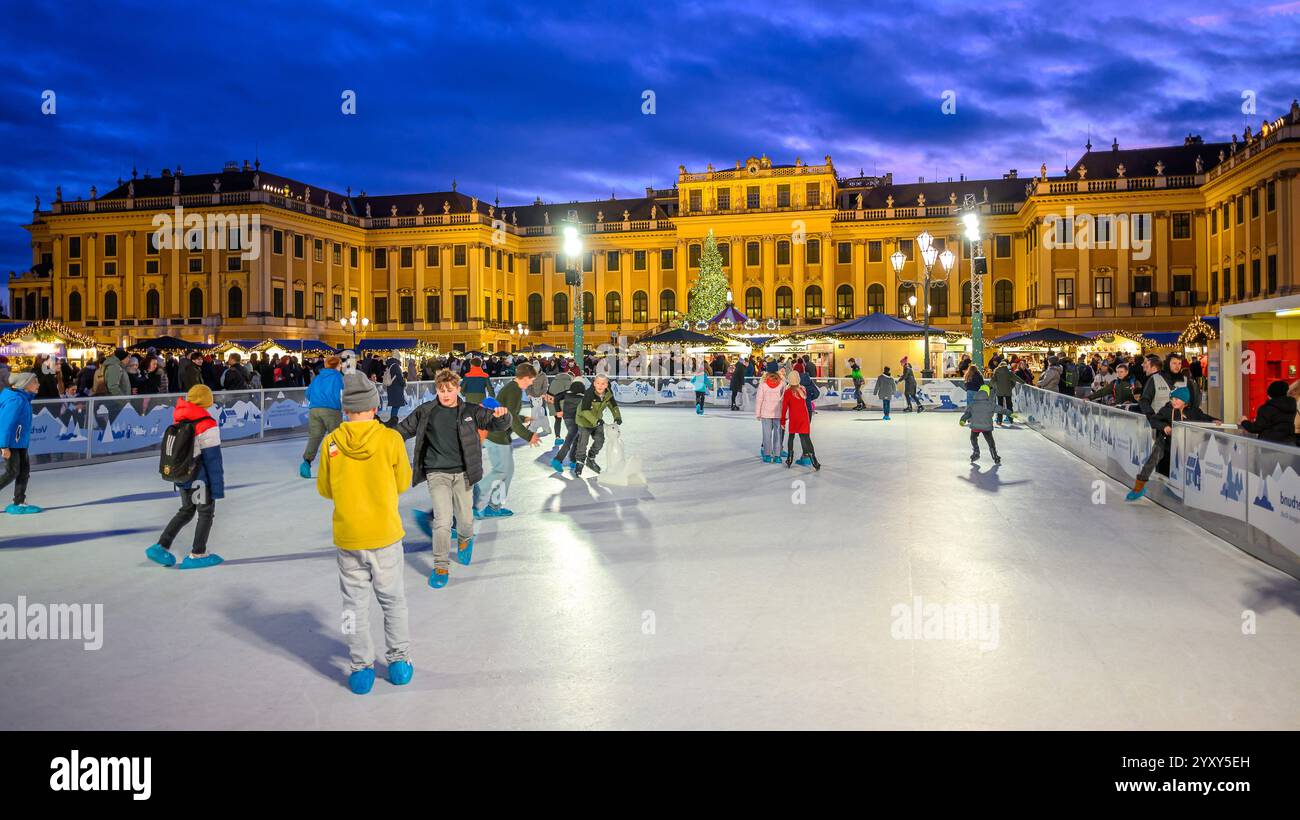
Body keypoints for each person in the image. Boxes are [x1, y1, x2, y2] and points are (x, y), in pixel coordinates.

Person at [316, 372, 413, 694]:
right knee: (393, 600)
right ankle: (399, 661)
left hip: (349, 536)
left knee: (352, 606)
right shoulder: (390, 439)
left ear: (346, 410)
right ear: (374, 406)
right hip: (384, 533)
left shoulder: (331, 442)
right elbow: (402, 483)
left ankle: (360, 667)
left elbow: (326, 489)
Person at [389, 369, 511, 588]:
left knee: (465, 521)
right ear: (437, 389)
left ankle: (465, 540)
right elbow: (400, 431)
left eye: (450, 390)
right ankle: (441, 565)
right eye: (441, 390)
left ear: (458, 389)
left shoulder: (471, 411)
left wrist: (504, 415)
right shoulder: (426, 411)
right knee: (443, 521)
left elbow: (496, 424)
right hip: (437, 474)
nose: (445, 394)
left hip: (463, 474)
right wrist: (378, 436)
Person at [145, 385, 226, 569]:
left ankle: (161, 546)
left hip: (182, 476)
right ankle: (198, 553)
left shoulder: (180, 418)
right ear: (207, 401)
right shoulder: (206, 423)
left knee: (186, 510)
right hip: (200, 479)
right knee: (205, 513)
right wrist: (217, 487)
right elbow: (213, 459)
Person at [1127, 386, 1217, 501]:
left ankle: (1181, 490)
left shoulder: (1193, 411)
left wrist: (1214, 420)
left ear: (1185, 400)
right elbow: (1154, 420)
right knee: (1152, 460)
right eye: (1172, 399)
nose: (1173, 402)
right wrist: (1164, 427)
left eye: (1177, 399)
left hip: (1182, 443)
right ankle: (1138, 488)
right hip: (1164, 442)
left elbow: (1204, 417)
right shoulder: (1167, 410)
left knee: (1182, 465)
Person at [475, 362, 539, 515]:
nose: (531, 382)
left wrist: (523, 419)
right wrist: (528, 435)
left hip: (500, 436)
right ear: (525, 377)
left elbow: (509, 413)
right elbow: (510, 417)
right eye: (531, 380)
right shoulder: (514, 390)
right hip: (497, 437)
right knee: (501, 471)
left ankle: (494, 506)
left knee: (506, 472)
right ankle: (473, 497)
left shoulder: (513, 389)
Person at [0, 372, 42, 514]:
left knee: (24, 472)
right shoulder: (16, 401)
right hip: (11, 444)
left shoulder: (24, 399)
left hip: (20, 443)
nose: (38, 384)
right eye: (35, 382)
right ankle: (19, 500)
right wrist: (4, 446)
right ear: (25, 384)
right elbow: (5, 424)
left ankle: (19, 501)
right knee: (12, 472)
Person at [299, 355, 345, 478]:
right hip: (331, 410)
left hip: (314, 410)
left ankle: (306, 463)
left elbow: (308, 393)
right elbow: (345, 392)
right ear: (336, 365)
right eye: (340, 365)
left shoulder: (317, 378)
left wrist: (317, 401)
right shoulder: (338, 377)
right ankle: (335, 465)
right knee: (335, 438)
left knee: (314, 437)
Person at [571, 373, 622, 477]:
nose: (600, 385)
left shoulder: (608, 394)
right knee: (583, 442)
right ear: (594, 383)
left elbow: (613, 406)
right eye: (598, 383)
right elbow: (585, 411)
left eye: (603, 383)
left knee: (600, 440)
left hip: (597, 420)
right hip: (583, 420)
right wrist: (596, 421)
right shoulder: (589, 394)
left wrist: (617, 417)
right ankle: (579, 464)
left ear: (607, 385)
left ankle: (591, 458)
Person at [780, 369, 820, 470]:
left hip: (794, 418)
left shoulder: (787, 392)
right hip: (804, 417)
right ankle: (814, 460)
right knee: (806, 438)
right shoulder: (803, 390)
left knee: (791, 437)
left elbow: (784, 408)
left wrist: (783, 421)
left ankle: (789, 458)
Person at [1238, 380, 1297, 445]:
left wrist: (1244, 421)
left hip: (1269, 446)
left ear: (1270, 393)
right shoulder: (1292, 406)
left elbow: (1256, 428)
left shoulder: (1266, 409)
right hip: (1288, 444)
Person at [960, 384, 1001, 465]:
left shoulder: (973, 404)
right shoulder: (990, 403)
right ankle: (995, 456)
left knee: (973, 438)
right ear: (988, 393)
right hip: (986, 427)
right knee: (990, 442)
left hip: (975, 426)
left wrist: (962, 420)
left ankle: (976, 452)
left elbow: (968, 413)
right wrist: (1010, 413)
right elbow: (1001, 410)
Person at [552, 377, 587, 471]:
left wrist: (558, 410)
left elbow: (556, 398)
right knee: (571, 438)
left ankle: (573, 460)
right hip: (578, 420)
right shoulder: (585, 394)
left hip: (567, 418)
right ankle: (557, 459)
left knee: (576, 438)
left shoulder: (567, 392)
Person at [753, 365, 784, 462]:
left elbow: (759, 400)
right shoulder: (782, 384)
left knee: (766, 434)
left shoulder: (763, 385)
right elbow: (784, 400)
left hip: (766, 413)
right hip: (778, 413)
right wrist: (785, 415)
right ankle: (777, 456)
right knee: (778, 435)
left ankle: (767, 455)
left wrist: (758, 413)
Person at [990, 357, 1016, 426]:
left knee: (999, 406)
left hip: (999, 391)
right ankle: (1011, 419)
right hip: (1008, 391)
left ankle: (999, 420)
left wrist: (995, 387)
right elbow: (1014, 380)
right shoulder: (1009, 372)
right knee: (1009, 405)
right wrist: (1011, 387)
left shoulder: (996, 372)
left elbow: (992, 381)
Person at [382, 356, 406, 422]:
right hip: (396, 389)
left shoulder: (390, 366)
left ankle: (393, 420)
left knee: (395, 405)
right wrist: (404, 383)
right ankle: (393, 421)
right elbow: (399, 377)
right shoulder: (396, 366)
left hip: (391, 388)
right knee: (396, 405)